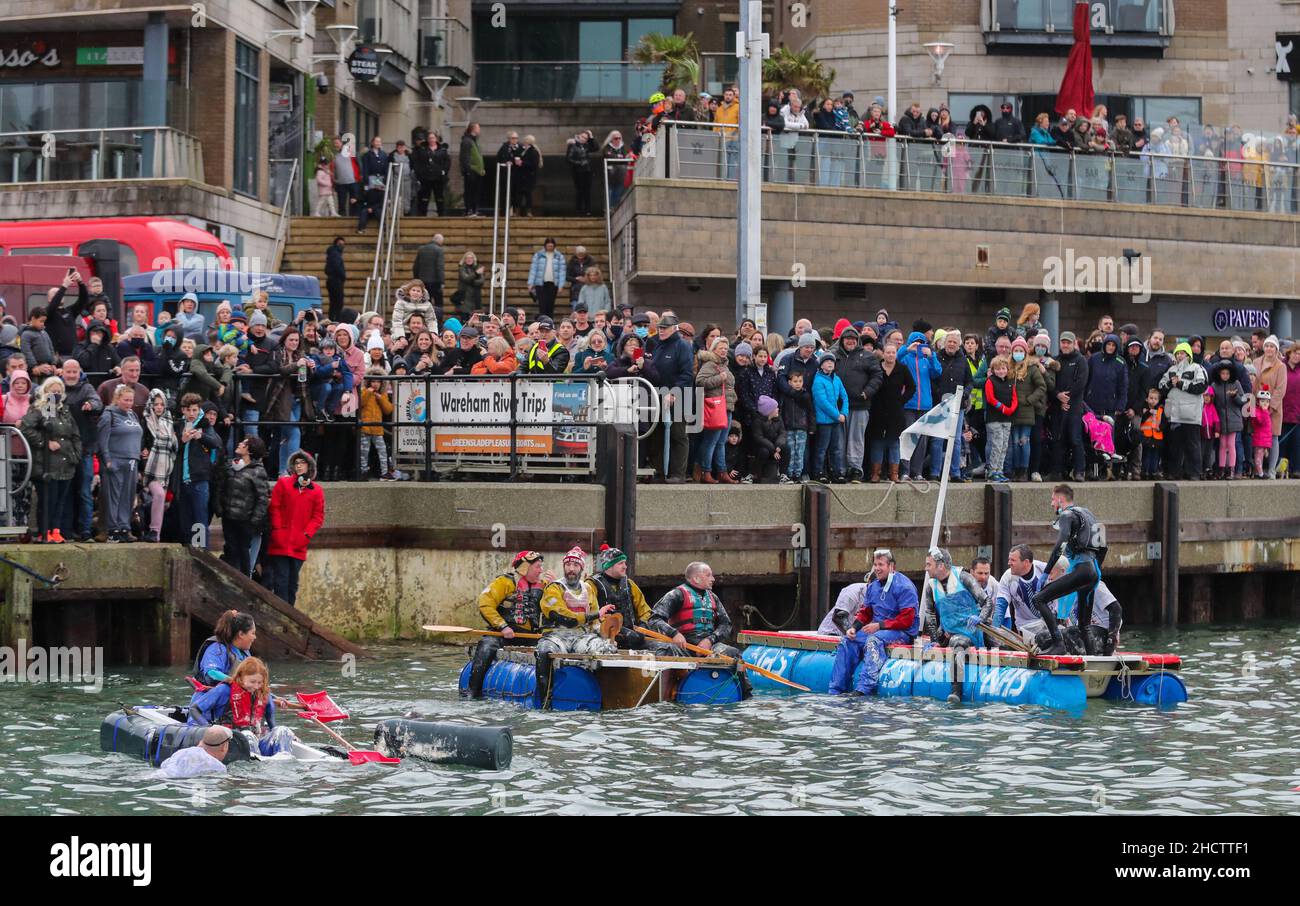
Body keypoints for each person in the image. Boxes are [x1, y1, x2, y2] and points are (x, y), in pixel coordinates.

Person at [827, 549, 919, 695]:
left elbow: (907, 620)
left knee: (873, 640)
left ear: (891, 566)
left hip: (902, 632)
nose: (877, 568)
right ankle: (836, 689)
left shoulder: (904, 587)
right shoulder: (873, 587)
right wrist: (854, 628)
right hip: (879, 630)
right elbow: (866, 612)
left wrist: (880, 626)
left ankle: (864, 688)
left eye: (881, 564)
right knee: (848, 640)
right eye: (875, 564)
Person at [534, 545, 618, 705]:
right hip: (556, 636)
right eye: (568, 564)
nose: (571, 569)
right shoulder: (553, 588)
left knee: (608, 648)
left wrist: (606, 633)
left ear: (581, 568)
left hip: (581, 637)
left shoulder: (588, 589)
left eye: (575, 565)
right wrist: (595, 615)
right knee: (544, 652)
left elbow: (595, 624)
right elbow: (564, 618)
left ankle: (605, 698)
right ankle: (545, 701)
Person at [1030, 484, 1107, 655]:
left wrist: (1046, 572)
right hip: (1093, 573)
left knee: (1039, 599)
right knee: (1084, 625)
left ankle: (1058, 644)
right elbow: (1103, 547)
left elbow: (1061, 545)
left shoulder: (1066, 515)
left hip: (1082, 570)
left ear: (1060, 499)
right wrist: (1096, 570)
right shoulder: (1090, 515)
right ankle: (1093, 660)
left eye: (1052, 500)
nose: (1051, 504)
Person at [466, 550, 550, 698]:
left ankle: (545, 694)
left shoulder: (545, 586)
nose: (541, 570)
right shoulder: (504, 582)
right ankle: (473, 691)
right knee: (487, 645)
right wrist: (503, 626)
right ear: (525, 568)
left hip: (531, 636)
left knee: (548, 648)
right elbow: (485, 604)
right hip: (502, 634)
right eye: (537, 566)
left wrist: (554, 585)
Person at [187, 656, 299, 757]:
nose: (256, 686)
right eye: (252, 682)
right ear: (241, 677)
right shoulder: (224, 690)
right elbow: (194, 709)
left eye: (260, 682)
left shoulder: (264, 694)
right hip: (231, 742)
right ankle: (255, 763)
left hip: (256, 740)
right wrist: (209, 728)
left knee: (283, 730)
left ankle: (282, 760)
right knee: (247, 735)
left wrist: (287, 738)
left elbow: (272, 726)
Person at [20, 376, 82, 544]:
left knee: (61, 500)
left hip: (66, 462)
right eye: (53, 391)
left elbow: (75, 434)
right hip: (46, 463)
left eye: (59, 391)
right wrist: (45, 442)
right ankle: (44, 531)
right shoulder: (40, 409)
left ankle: (56, 530)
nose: (56, 394)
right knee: (49, 500)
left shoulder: (65, 411)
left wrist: (76, 455)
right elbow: (25, 427)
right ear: (45, 391)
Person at [648, 562, 743, 660]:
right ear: (696, 578)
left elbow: (726, 624)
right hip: (683, 646)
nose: (713, 579)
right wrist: (674, 634)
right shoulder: (676, 594)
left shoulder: (713, 598)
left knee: (733, 653)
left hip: (708, 647)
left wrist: (710, 640)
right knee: (665, 650)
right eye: (708, 575)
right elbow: (654, 619)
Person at [266, 451, 325, 606]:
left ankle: (289, 615)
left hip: (299, 543)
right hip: (280, 541)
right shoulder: (283, 483)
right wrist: (277, 530)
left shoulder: (317, 490)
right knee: (281, 581)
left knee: (292, 583)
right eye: (296, 463)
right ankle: (281, 614)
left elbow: (318, 517)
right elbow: (274, 507)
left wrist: (306, 535)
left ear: (309, 466)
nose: (299, 466)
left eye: (302, 463)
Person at [59, 358, 102, 542]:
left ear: (79, 372)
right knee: (66, 492)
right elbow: (46, 415)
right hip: (62, 451)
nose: (71, 375)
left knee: (85, 492)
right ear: (62, 372)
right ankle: (65, 531)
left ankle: (85, 531)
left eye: (74, 372)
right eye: (68, 372)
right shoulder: (55, 388)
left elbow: (98, 402)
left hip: (84, 449)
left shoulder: (87, 388)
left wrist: (91, 405)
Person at [919, 547, 993, 650]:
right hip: (948, 634)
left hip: (970, 632)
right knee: (948, 640)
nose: (926, 568)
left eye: (929, 565)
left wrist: (980, 618)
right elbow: (930, 615)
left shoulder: (963, 578)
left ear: (940, 566)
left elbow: (987, 602)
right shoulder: (930, 587)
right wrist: (934, 640)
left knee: (959, 642)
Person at [96, 383, 143, 543]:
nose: (129, 403)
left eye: (131, 400)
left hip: (132, 460)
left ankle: (124, 527)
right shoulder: (109, 415)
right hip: (115, 460)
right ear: (117, 399)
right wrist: (107, 460)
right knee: (113, 496)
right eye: (126, 400)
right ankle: (112, 529)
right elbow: (102, 440)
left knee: (127, 496)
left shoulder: (133, 415)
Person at [220, 436, 270, 576]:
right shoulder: (231, 466)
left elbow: (262, 499)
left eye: (244, 443)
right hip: (228, 517)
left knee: (243, 552)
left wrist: (253, 521)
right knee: (230, 550)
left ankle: (244, 581)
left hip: (245, 520)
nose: (240, 444)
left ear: (251, 450)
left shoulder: (257, 471)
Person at [1158, 342, 1208, 480]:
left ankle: (1194, 473)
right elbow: (1161, 387)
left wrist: (1181, 384)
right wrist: (1170, 383)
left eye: (1183, 353)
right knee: (1174, 447)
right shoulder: (1171, 370)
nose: (1180, 356)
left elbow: (1202, 386)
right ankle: (1174, 472)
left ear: (1188, 355)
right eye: (1178, 353)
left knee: (1193, 446)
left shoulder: (1197, 368)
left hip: (1191, 416)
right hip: (1174, 415)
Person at [140, 388, 177, 543]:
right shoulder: (145, 421)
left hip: (166, 468)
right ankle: (154, 531)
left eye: (162, 404)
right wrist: (143, 453)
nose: (159, 407)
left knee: (160, 501)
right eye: (156, 404)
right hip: (149, 469)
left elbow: (174, 447)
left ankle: (154, 534)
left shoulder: (170, 422)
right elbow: (141, 443)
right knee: (159, 495)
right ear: (151, 405)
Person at [994, 544, 1049, 639]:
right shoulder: (1007, 577)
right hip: (1025, 627)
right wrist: (995, 629)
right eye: (1009, 559)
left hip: (1050, 623)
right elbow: (1001, 606)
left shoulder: (1044, 569)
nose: (1009, 563)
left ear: (1026, 562)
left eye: (1013, 560)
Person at [192, 610, 256, 686]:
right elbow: (211, 673)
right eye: (253, 633)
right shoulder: (217, 649)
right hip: (216, 691)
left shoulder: (244, 653)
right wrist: (233, 682)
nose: (254, 637)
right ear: (241, 634)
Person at [156, 724, 231, 778]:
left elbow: (164, 766)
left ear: (201, 741)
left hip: (158, 777)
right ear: (224, 747)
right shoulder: (217, 767)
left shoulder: (181, 752)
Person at [527, 238, 566, 320]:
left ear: (554, 246)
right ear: (545, 246)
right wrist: (531, 283)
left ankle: (550, 322)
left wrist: (561, 285)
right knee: (542, 305)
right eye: (548, 246)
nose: (550, 247)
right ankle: (542, 321)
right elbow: (533, 269)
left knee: (550, 305)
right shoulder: (538, 255)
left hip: (553, 284)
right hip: (540, 284)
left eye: (551, 246)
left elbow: (562, 271)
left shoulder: (559, 256)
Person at [411, 235, 446, 318]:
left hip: (423, 282)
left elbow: (415, 266)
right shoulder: (439, 250)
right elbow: (439, 267)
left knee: (425, 302)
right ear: (440, 241)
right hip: (436, 282)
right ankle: (438, 320)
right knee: (438, 303)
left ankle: (425, 320)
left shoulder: (422, 249)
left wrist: (416, 280)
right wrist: (442, 281)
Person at [460, 122, 485, 216]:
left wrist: (481, 168)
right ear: (473, 129)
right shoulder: (467, 141)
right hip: (471, 171)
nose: (479, 130)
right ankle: (469, 209)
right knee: (469, 191)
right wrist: (468, 170)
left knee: (476, 192)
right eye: (478, 128)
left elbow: (478, 156)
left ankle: (475, 209)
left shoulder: (475, 141)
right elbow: (464, 157)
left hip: (477, 171)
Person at [325, 236, 347, 321]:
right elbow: (337, 267)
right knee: (337, 303)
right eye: (340, 244)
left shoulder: (333, 253)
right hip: (335, 281)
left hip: (333, 281)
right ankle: (336, 320)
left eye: (343, 244)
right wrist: (343, 276)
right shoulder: (335, 254)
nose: (342, 246)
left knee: (334, 303)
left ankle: (333, 319)